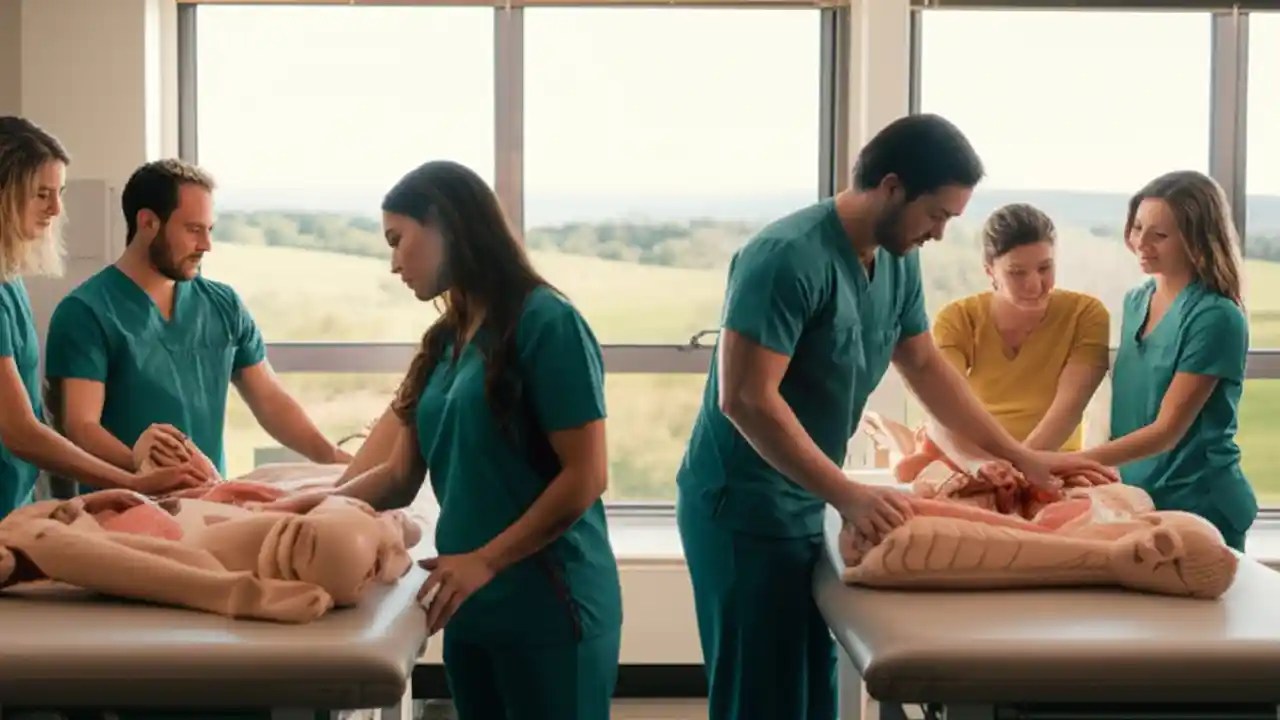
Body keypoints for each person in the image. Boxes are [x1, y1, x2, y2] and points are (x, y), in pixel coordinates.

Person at [675, 113, 1117, 720]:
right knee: (762, 690)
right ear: (889, 187)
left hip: (808, 497)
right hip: (742, 503)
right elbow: (746, 399)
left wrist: (1022, 457)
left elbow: (927, 367)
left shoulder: (897, 257)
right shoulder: (783, 258)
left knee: (809, 679)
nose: (938, 234)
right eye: (935, 214)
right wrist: (849, 495)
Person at [264, 160, 622, 719]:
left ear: (446, 224)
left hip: (549, 606)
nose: (393, 263)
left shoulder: (548, 324)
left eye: (398, 240)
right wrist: (299, 509)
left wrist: (486, 560)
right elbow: (399, 478)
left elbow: (587, 476)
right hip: (469, 605)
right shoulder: (445, 341)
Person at [43, 159, 350, 493]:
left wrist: (333, 458)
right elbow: (81, 426)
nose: (206, 245)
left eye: (209, 229)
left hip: (207, 502)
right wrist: (140, 466)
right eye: (193, 229)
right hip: (121, 508)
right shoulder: (86, 312)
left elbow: (270, 400)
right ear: (147, 223)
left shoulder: (223, 305)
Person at [0, 117, 206, 517]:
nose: (56, 209)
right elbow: (19, 431)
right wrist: (131, 479)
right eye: (41, 194)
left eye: (59, 193)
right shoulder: (85, 311)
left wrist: (65, 501)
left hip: (17, 503)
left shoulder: (10, 281)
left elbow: (37, 423)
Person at [1078, 170, 1256, 551]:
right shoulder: (1135, 301)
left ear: (1196, 240)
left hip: (1200, 505)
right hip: (1137, 499)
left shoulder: (1215, 316)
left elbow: (1167, 430)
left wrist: (1073, 463)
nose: (1141, 243)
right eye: (1138, 227)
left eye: (1159, 235)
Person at [932, 203, 1111, 451]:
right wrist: (982, 466)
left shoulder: (1085, 314)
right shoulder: (958, 319)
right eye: (1017, 273)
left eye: (1044, 268)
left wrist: (1022, 467)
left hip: (1053, 459)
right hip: (975, 458)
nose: (1034, 285)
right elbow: (945, 408)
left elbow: (1068, 411)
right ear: (990, 271)